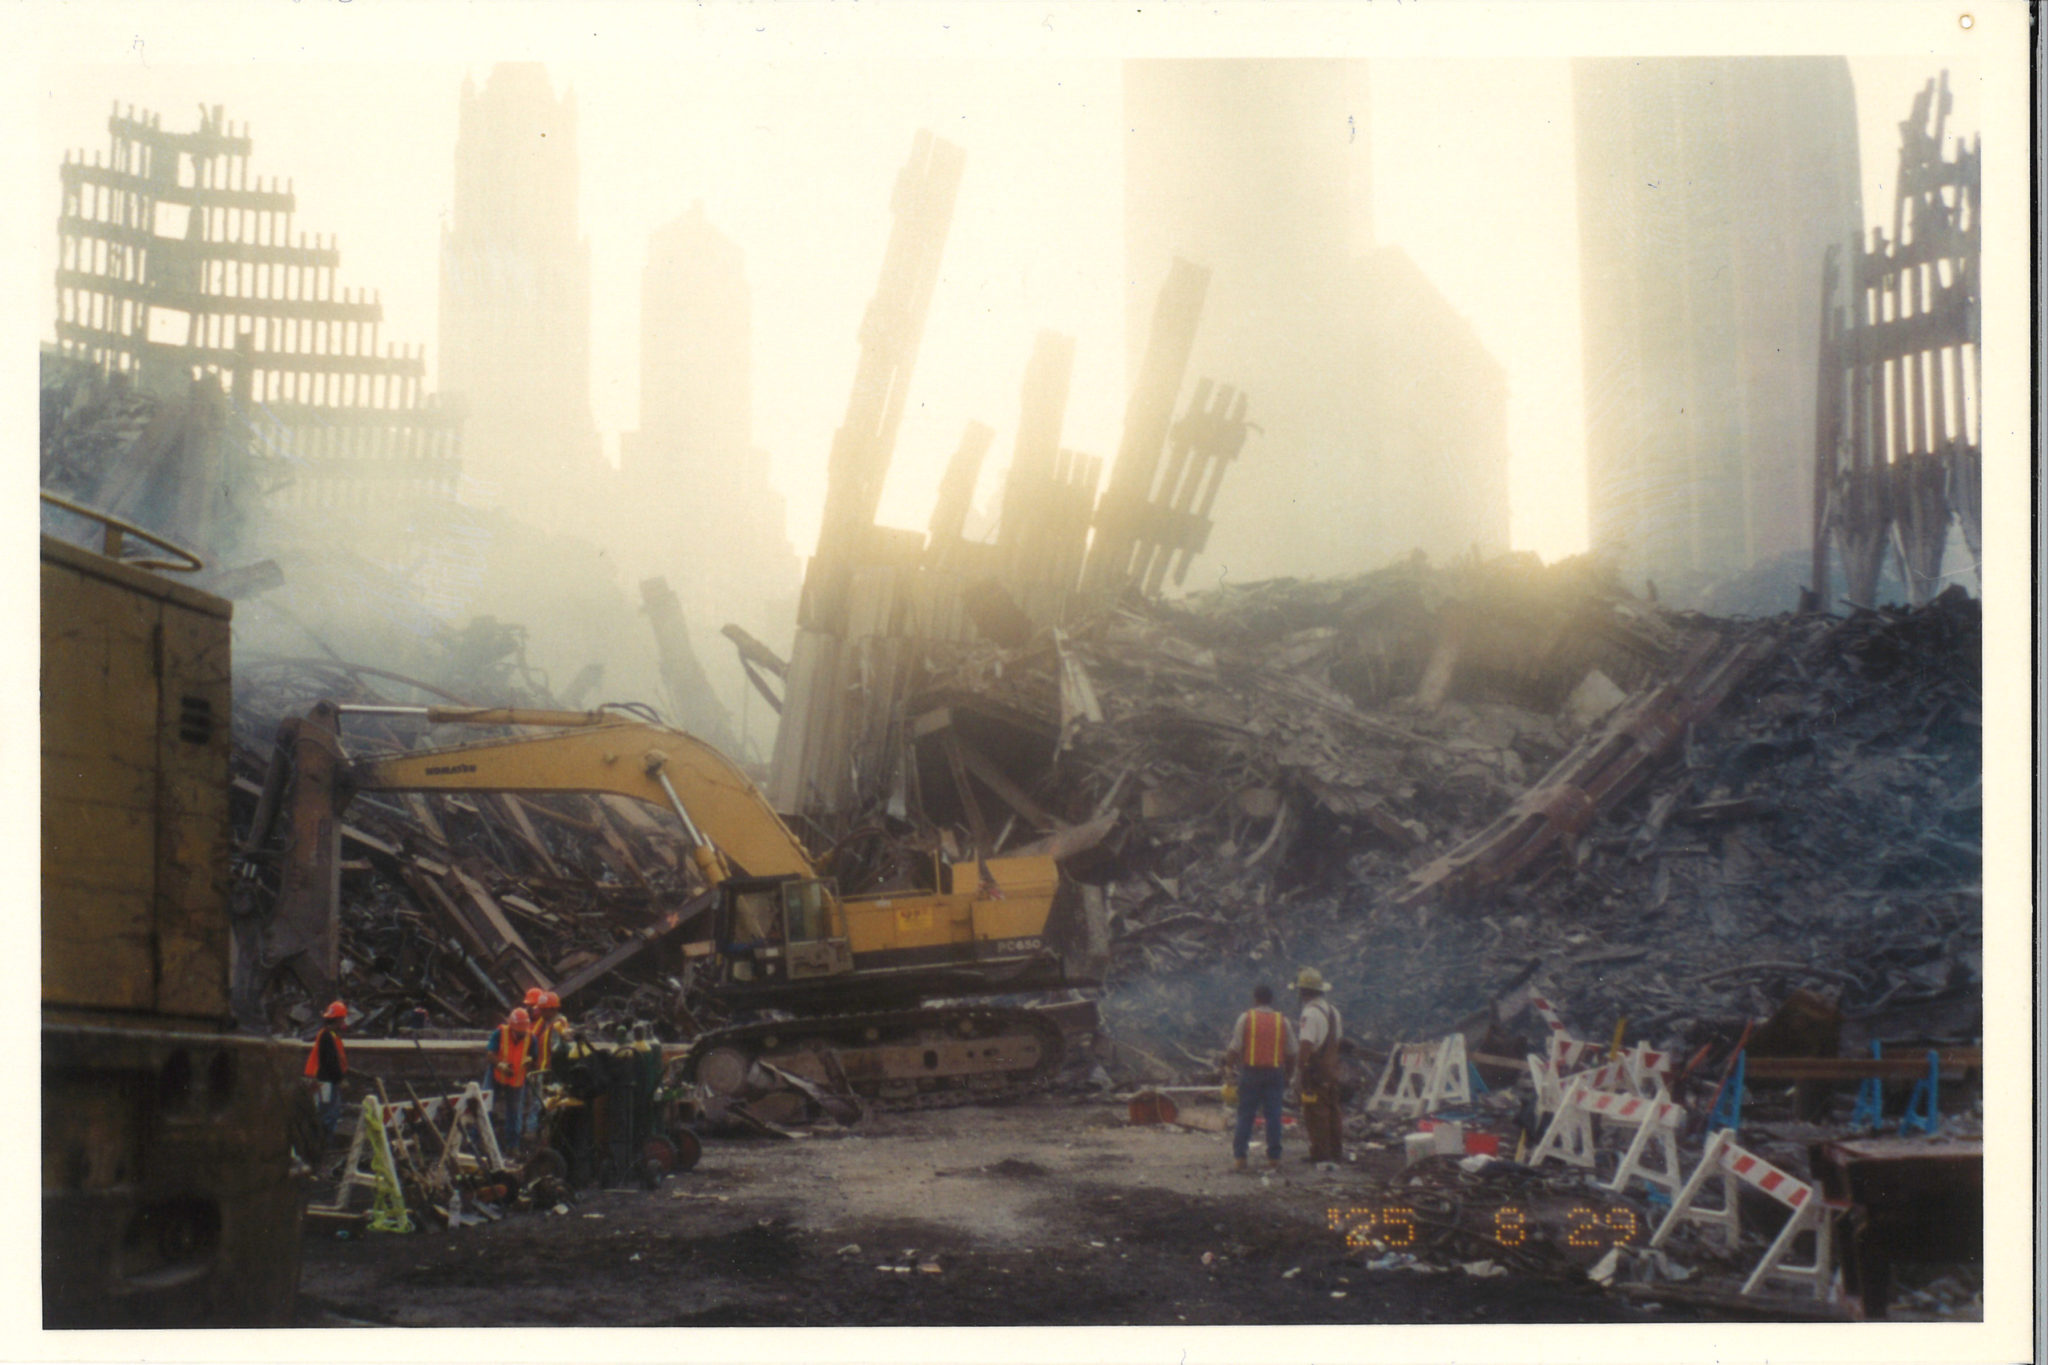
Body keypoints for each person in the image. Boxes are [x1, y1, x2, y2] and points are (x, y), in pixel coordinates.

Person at [1225, 983, 1296, 1172]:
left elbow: (1234, 1047)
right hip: (1275, 1073)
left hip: (1251, 1072)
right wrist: (1289, 1074)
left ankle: (1240, 1158)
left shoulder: (1246, 1018)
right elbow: (1292, 1053)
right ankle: (1274, 1158)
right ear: (1271, 1000)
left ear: (1255, 998)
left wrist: (1227, 1068)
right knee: (1273, 1116)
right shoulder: (1283, 1021)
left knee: (1245, 1115)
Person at [1294, 967, 1345, 1168]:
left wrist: (1300, 1069)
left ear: (1304, 992)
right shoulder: (1334, 1012)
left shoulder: (1310, 1013)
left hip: (1315, 1073)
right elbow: (1337, 1042)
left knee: (1316, 1113)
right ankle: (1336, 1150)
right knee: (1333, 1111)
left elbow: (1306, 1044)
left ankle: (1321, 1153)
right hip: (1332, 1071)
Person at [484, 1007, 534, 1155]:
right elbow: (490, 1054)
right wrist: (500, 1065)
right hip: (496, 1075)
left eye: (522, 1030)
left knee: (515, 1113)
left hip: (516, 1079)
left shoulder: (531, 1037)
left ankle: (513, 1146)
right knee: (483, 1107)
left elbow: (534, 1056)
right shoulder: (500, 1033)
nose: (520, 1034)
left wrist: (530, 1060)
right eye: (518, 1031)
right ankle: (477, 1141)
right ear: (512, 1026)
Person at [304, 999, 350, 1143]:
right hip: (326, 1081)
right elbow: (330, 1061)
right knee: (329, 1114)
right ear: (339, 1019)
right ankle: (322, 1144)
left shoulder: (330, 1035)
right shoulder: (327, 1036)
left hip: (325, 1080)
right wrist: (339, 1079)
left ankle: (320, 1143)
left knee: (328, 1112)